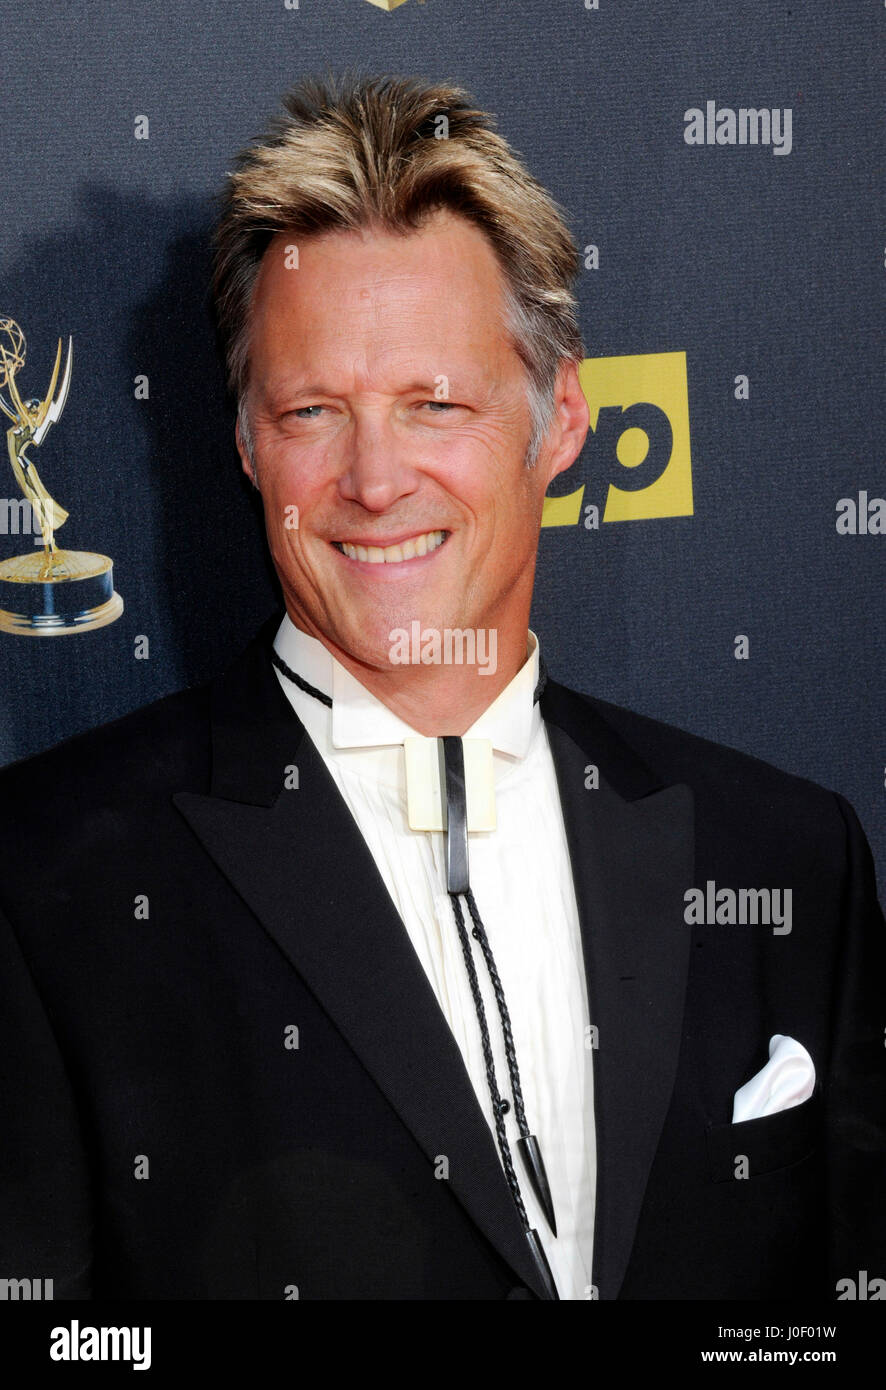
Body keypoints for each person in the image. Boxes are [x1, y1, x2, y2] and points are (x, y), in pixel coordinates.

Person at [0, 72, 883, 1301]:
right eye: (313, 410)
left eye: (436, 404)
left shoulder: (787, 854)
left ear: (559, 417)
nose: (374, 478)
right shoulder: (45, 882)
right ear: (249, 443)